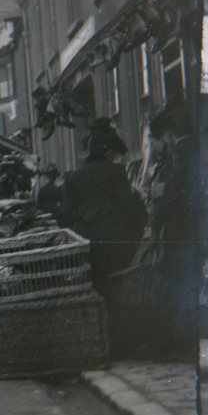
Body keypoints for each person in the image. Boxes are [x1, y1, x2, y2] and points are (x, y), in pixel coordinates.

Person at [63, 118, 146, 295]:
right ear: (108, 152)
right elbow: (128, 205)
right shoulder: (115, 171)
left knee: (95, 285)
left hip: (84, 237)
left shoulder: (73, 177)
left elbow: (66, 214)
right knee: (118, 282)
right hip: (113, 234)